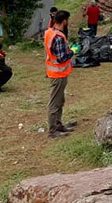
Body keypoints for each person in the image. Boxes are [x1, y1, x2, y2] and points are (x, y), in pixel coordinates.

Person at [45, 10, 76, 138]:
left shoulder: (50, 32)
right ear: (64, 21)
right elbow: (61, 58)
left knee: (60, 100)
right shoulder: (58, 37)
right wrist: (72, 51)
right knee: (55, 102)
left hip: (57, 73)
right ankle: (53, 130)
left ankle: (58, 124)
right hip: (58, 74)